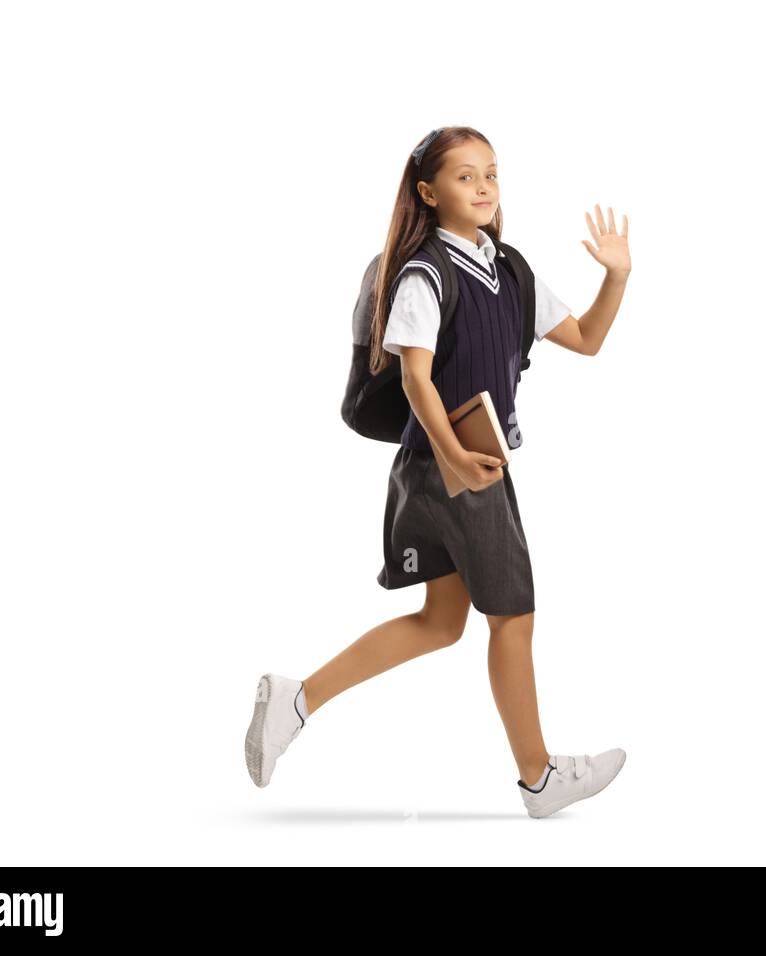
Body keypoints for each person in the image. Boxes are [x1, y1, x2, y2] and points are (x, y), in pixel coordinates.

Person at [244, 127, 633, 818]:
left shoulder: (506, 267)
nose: (483, 187)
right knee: (513, 616)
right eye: (464, 177)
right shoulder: (424, 273)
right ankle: (539, 777)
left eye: (491, 173)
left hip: (447, 467)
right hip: (454, 466)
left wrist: (617, 276)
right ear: (429, 192)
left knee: (440, 622)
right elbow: (418, 380)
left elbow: (587, 340)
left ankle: (295, 700)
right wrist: (455, 457)